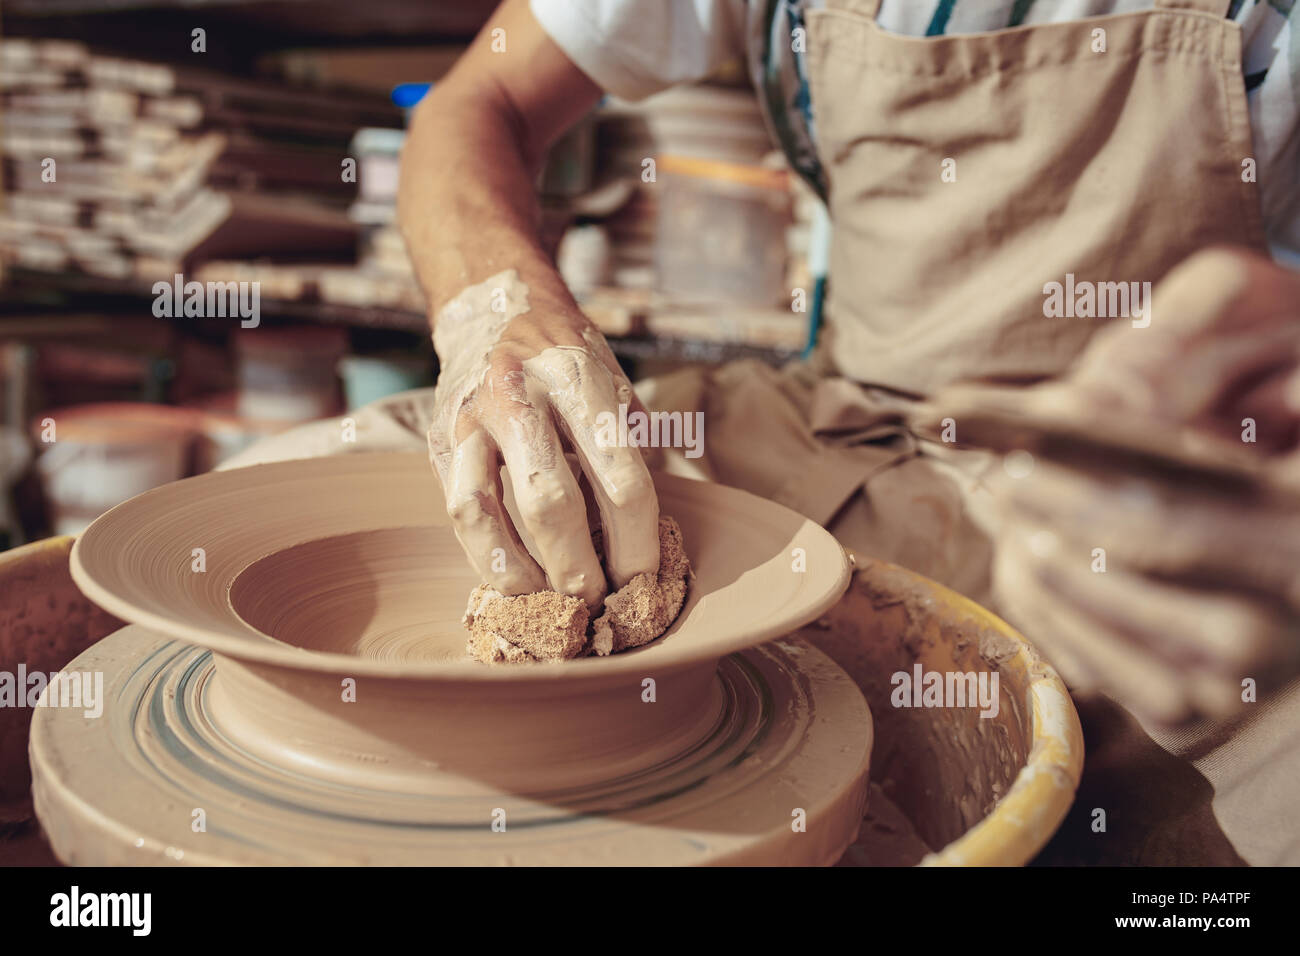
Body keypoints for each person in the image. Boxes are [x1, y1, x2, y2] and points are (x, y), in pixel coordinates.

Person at [236, 0, 1300, 864]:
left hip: (1187, 485)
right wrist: (496, 307)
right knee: (278, 492)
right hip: (856, 420)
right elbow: (478, 101)